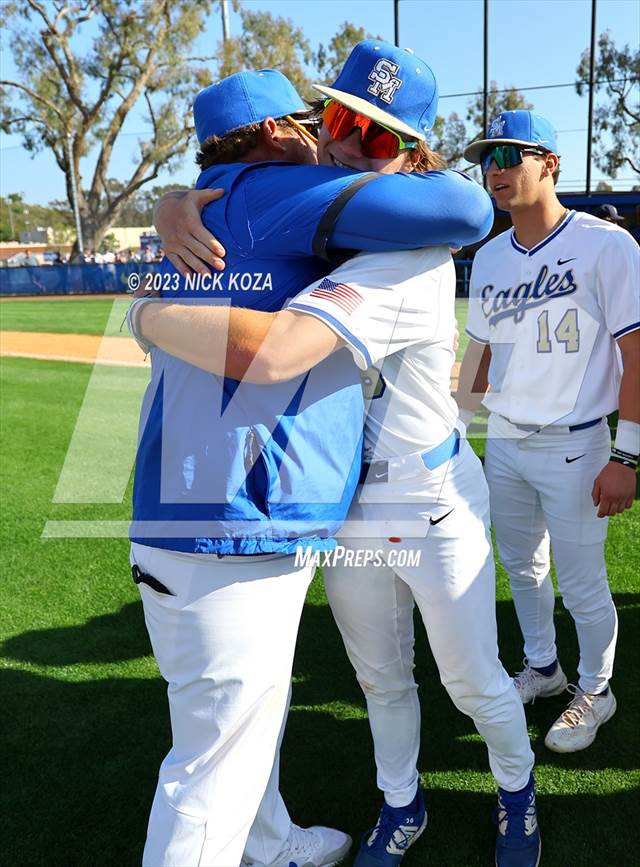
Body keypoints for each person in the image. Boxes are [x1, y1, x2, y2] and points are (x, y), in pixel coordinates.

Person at [134, 42, 539, 867]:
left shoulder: (397, 244)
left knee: (471, 680)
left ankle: (517, 793)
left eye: (379, 136)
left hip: (426, 497)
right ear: (305, 125)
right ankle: (398, 804)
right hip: (335, 504)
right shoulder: (322, 215)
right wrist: (179, 203)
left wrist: (149, 289)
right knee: (374, 682)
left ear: (414, 156)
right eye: (341, 119)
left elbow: (279, 349)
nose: (350, 144)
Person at [457, 110, 640, 754]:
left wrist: (628, 455)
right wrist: (455, 433)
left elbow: (637, 353)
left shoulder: (606, 244)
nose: (495, 170)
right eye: (487, 158)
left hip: (577, 440)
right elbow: (478, 357)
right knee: (521, 568)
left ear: (549, 163)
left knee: (581, 579)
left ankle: (597, 686)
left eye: (509, 155)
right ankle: (544, 666)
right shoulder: (487, 256)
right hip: (505, 440)